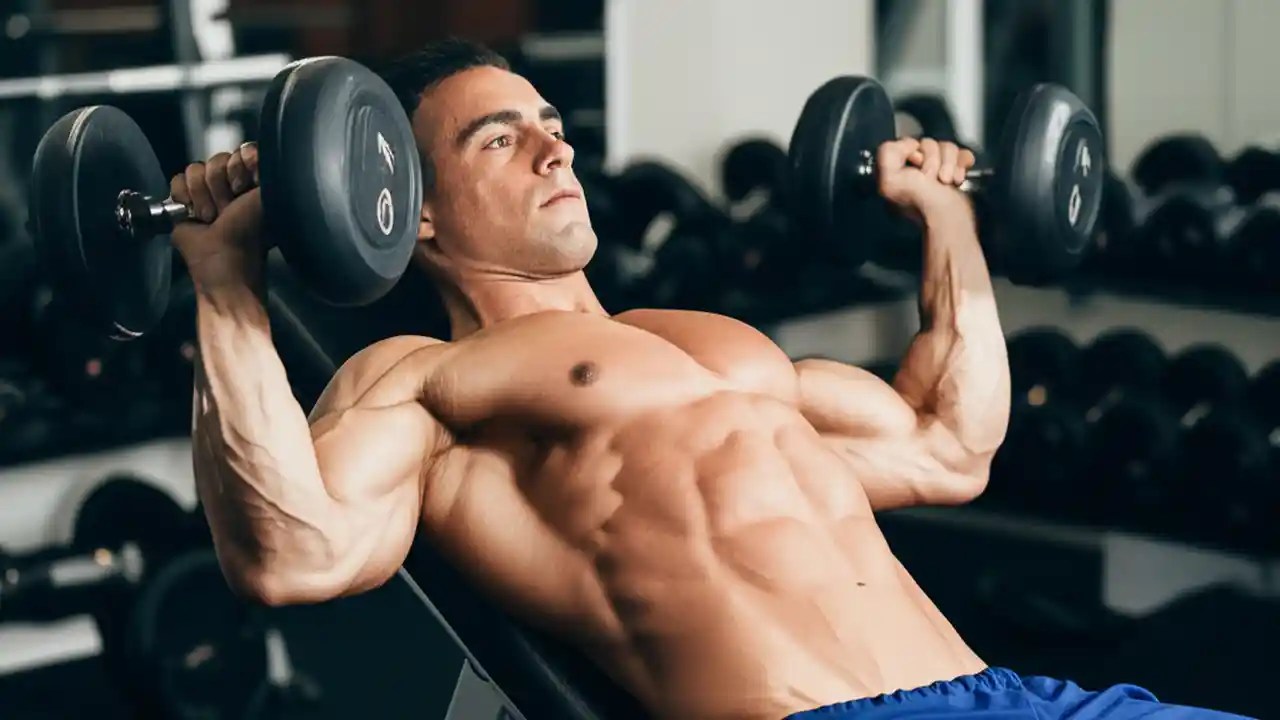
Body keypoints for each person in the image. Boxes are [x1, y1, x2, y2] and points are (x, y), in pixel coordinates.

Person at [170, 38, 1252, 720]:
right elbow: (294, 555)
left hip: (1006, 695)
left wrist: (944, 220)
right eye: (501, 141)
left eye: (552, 124)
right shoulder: (422, 379)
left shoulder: (709, 341)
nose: (557, 153)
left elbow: (948, 443)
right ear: (408, 209)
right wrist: (223, 278)